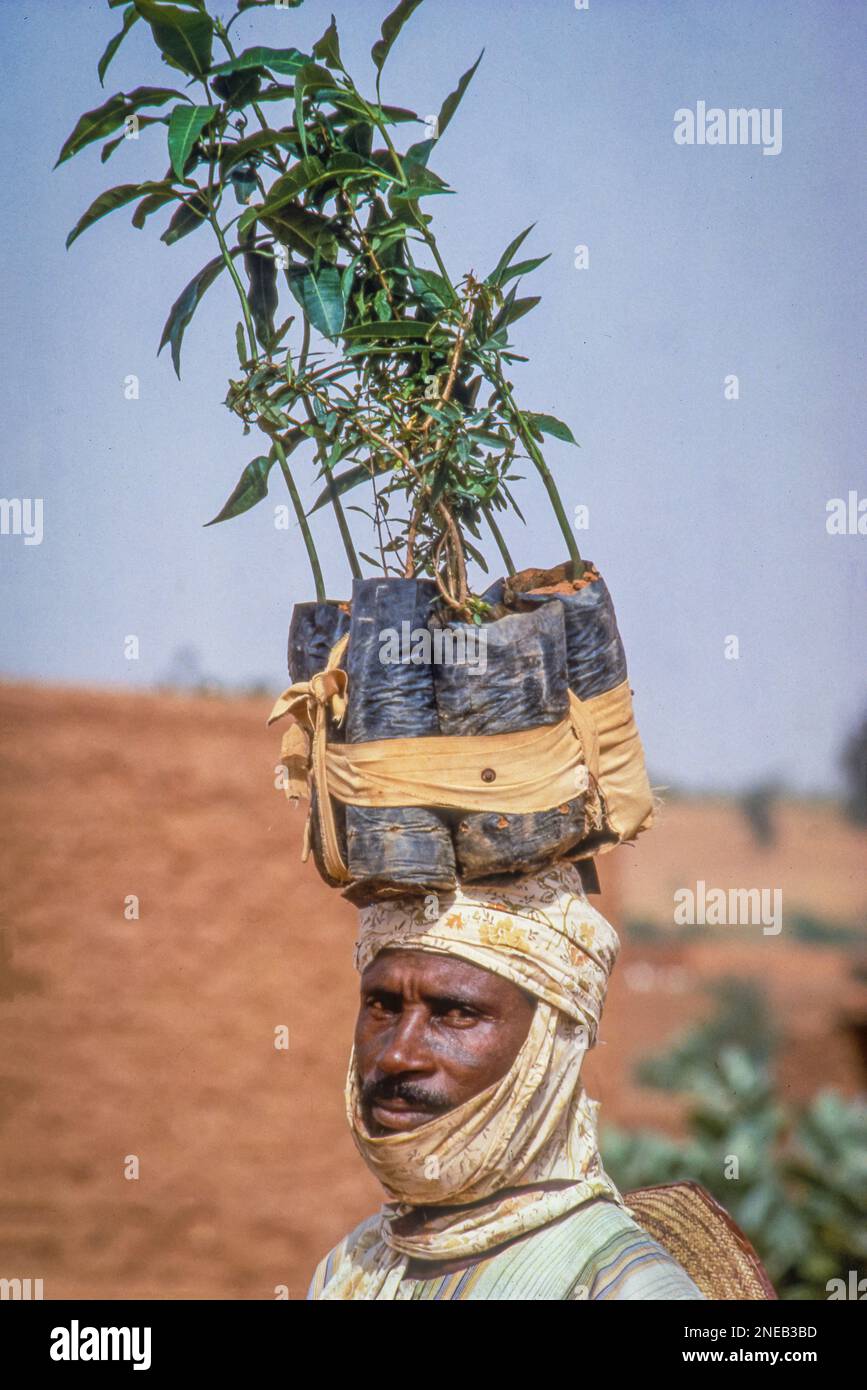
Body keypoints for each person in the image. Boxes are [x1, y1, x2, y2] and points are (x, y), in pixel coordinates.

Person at [307, 861, 706, 1300]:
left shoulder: (615, 1286)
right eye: (382, 1005)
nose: (398, 1055)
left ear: (548, 1045)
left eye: (456, 1013)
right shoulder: (351, 1269)